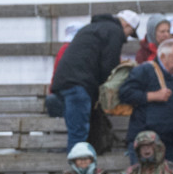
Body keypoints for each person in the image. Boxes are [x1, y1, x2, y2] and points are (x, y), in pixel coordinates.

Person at [47, 11, 138, 152]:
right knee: (79, 134)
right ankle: (76, 170)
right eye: (129, 32)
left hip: (64, 82)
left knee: (76, 130)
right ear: (126, 25)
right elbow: (109, 66)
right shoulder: (114, 31)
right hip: (79, 84)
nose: (126, 37)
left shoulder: (92, 27)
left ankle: (75, 165)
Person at [119, 32, 173, 165]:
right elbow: (124, 94)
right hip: (145, 142)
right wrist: (152, 96)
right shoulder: (144, 71)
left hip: (172, 142)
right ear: (162, 57)